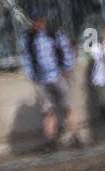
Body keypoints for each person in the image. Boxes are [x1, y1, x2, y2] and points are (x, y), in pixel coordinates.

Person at [22, 9, 80, 150]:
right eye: (35, 22)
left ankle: (75, 137)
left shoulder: (54, 35)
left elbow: (66, 50)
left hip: (58, 77)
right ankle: (51, 141)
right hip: (42, 80)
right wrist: (31, 75)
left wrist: (67, 68)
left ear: (43, 21)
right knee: (48, 111)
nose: (38, 24)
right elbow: (27, 59)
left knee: (67, 107)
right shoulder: (29, 40)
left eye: (40, 21)